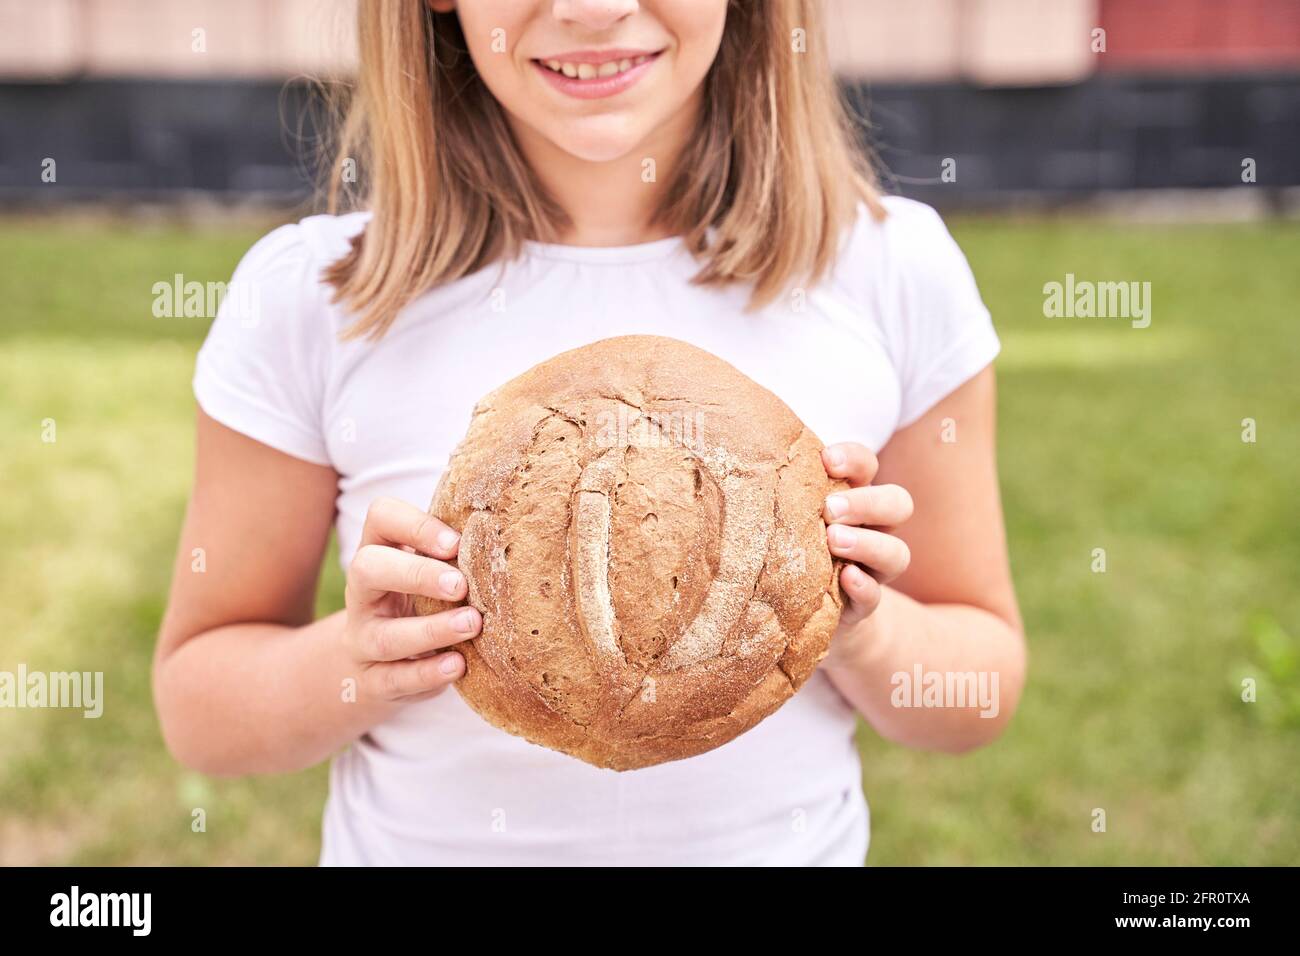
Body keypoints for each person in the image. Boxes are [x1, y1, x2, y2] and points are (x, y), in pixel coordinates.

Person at [154, 0, 1025, 866]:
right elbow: (201, 713)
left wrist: (860, 627)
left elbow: (977, 691)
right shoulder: (316, 300)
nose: (595, 8)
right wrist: (355, 658)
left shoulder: (887, 272)